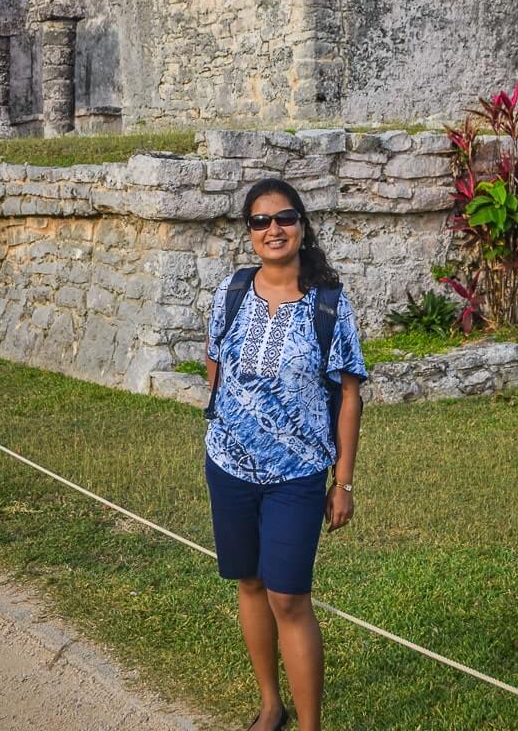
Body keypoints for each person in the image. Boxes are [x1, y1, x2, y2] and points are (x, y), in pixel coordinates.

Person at [204, 177, 367, 731]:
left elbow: (349, 394)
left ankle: (309, 727)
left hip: (297, 474)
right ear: (249, 232)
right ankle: (271, 705)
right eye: (260, 221)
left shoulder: (329, 304)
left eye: (285, 218)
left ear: (301, 225)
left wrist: (342, 483)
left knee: (289, 596)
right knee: (249, 583)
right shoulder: (230, 291)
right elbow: (215, 365)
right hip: (228, 467)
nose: (273, 229)